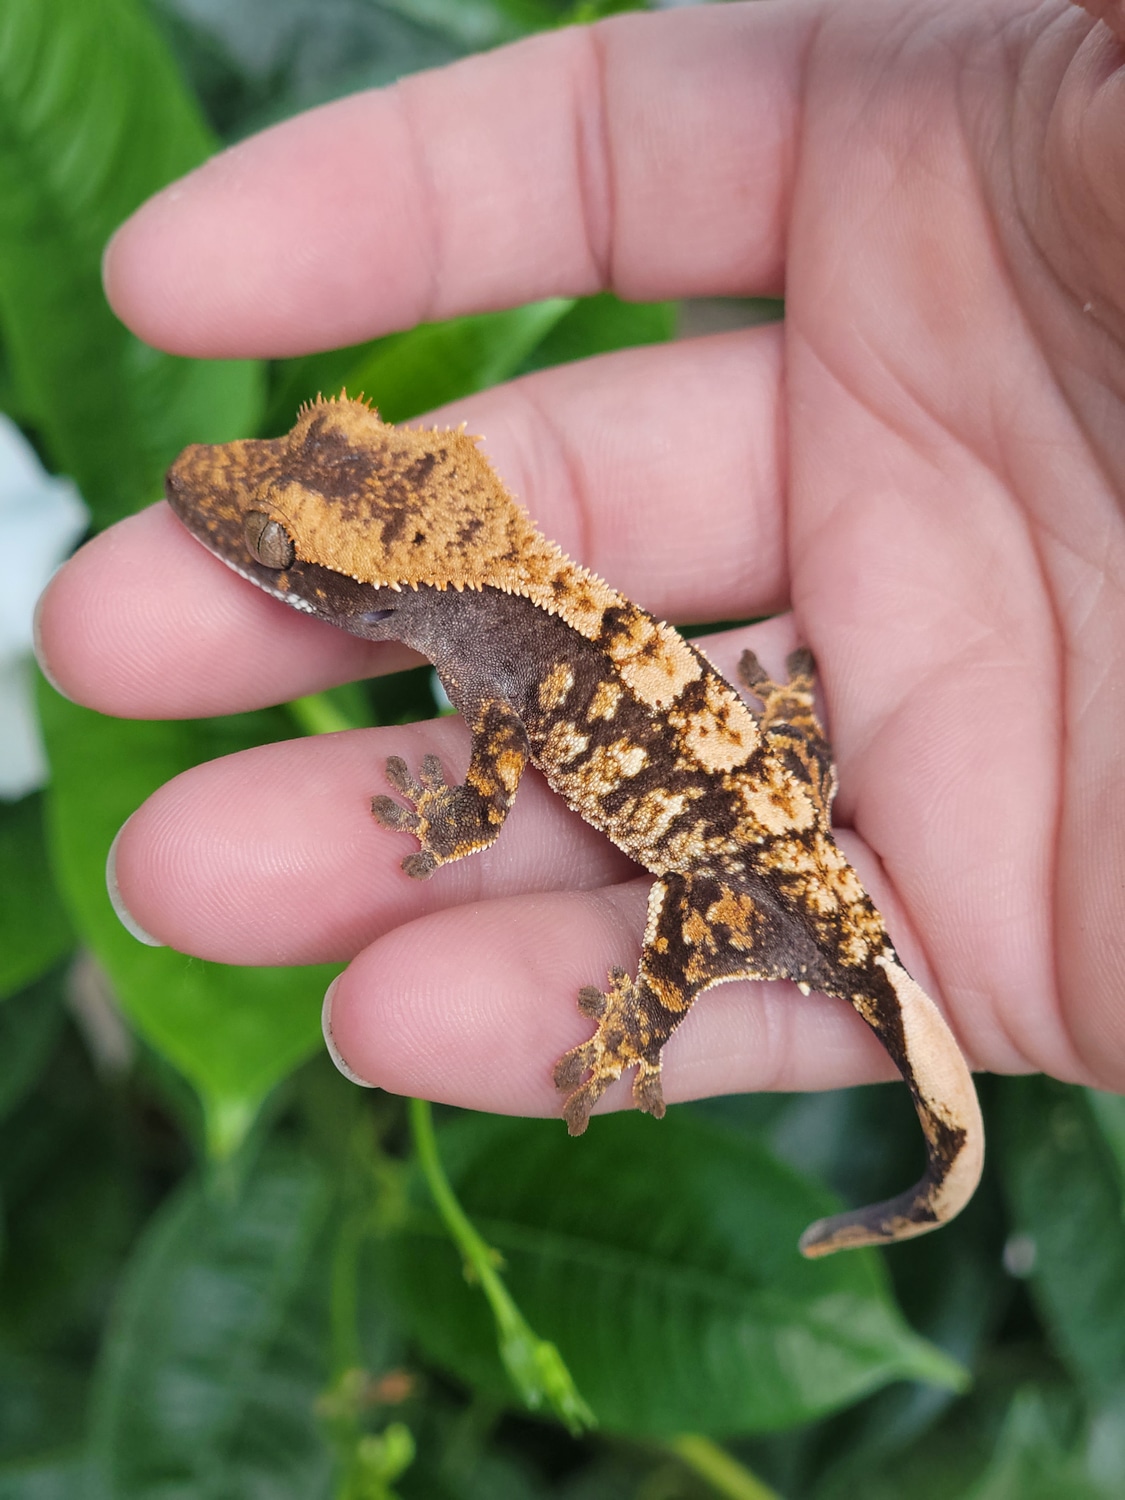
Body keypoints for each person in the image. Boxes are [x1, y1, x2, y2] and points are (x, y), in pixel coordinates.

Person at [35, 0, 1125, 1121]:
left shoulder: (506, 683)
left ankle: (656, 1041)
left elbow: (481, 819)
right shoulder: (513, 650)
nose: (247, 527)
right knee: (733, 836)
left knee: (688, 920)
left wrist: (444, 828)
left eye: (273, 548)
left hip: (759, 869)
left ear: (369, 593)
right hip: (768, 791)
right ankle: (776, 781)